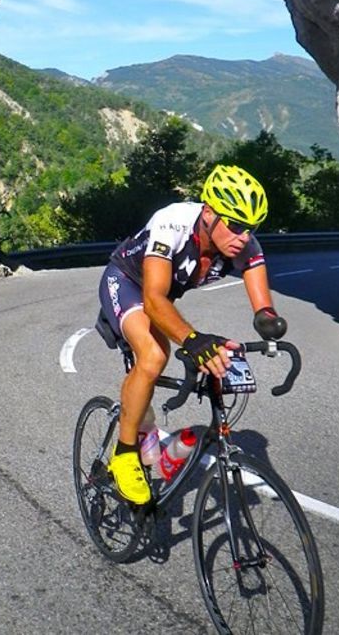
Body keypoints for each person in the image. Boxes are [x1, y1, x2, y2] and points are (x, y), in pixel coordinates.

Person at [98, 163, 287, 505]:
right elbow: (154, 300)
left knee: (172, 363)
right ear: (210, 213)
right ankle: (124, 453)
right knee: (154, 356)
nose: (243, 236)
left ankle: (146, 428)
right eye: (236, 225)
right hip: (127, 282)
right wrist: (194, 339)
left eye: (252, 228)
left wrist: (270, 323)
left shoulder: (244, 243)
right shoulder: (172, 222)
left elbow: (264, 309)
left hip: (160, 296)